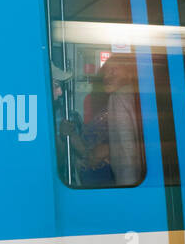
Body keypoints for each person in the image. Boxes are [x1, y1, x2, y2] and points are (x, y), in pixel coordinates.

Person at [85, 54, 144, 186]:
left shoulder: (118, 97)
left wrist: (128, 188)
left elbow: (126, 149)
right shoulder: (137, 96)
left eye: (113, 70)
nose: (106, 77)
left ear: (130, 73)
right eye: (105, 72)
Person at [51, 63, 92, 185]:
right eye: (56, 86)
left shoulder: (57, 113)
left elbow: (61, 163)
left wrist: (64, 137)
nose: (60, 92)